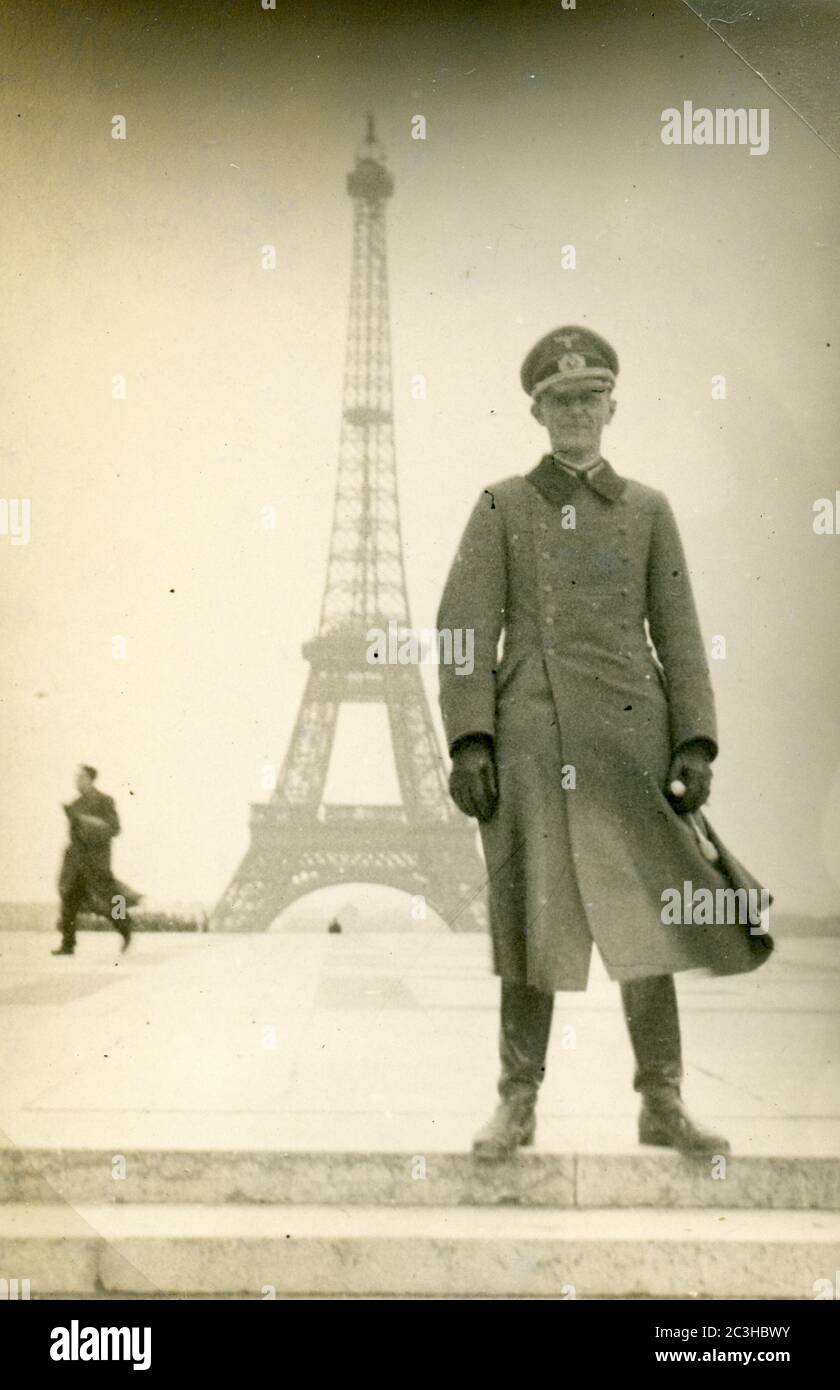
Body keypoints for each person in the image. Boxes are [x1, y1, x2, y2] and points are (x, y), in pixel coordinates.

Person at [437, 325, 772, 1161]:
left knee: (651, 917)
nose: (576, 414)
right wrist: (470, 737)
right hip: (530, 741)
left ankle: (662, 1101)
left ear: (612, 408)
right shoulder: (500, 507)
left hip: (633, 740)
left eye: (590, 400)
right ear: (537, 412)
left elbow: (682, 634)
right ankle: (516, 1104)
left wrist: (693, 741)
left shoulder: (650, 510)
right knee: (531, 920)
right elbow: (464, 629)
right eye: (561, 402)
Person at [54, 765, 140, 955]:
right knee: (69, 900)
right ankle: (68, 944)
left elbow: (115, 828)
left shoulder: (104, 801)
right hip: (76, 862)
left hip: (97, 862)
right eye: (76, 777)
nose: (77, 780)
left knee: (112, 898)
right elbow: (75, 835)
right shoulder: (74, 804)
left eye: (81, 777)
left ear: (91, 779)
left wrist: (89, 822)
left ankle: (125, 927)